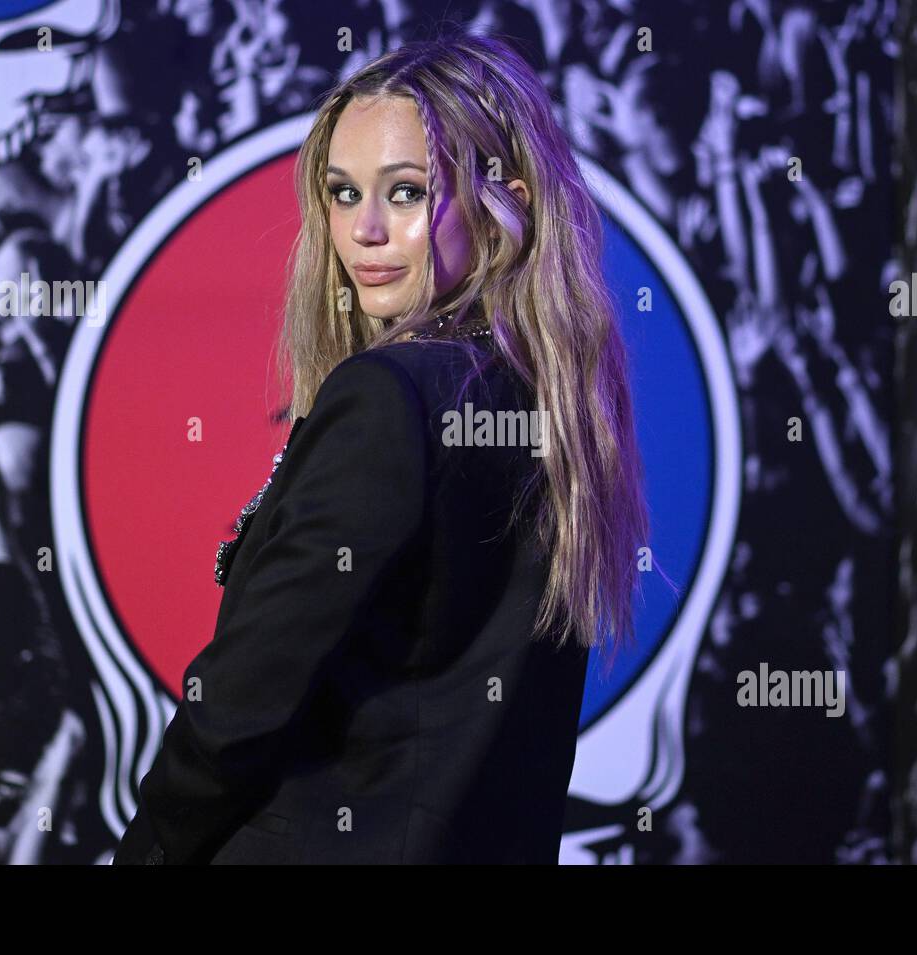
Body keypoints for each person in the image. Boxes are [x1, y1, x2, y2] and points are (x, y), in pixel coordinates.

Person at [113, 31, 649, 865]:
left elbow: (240, 706)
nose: (362, 229)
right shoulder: (561, 410)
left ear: (504, 205)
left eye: (406, 192)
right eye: (341, 191)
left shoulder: (387, 397)